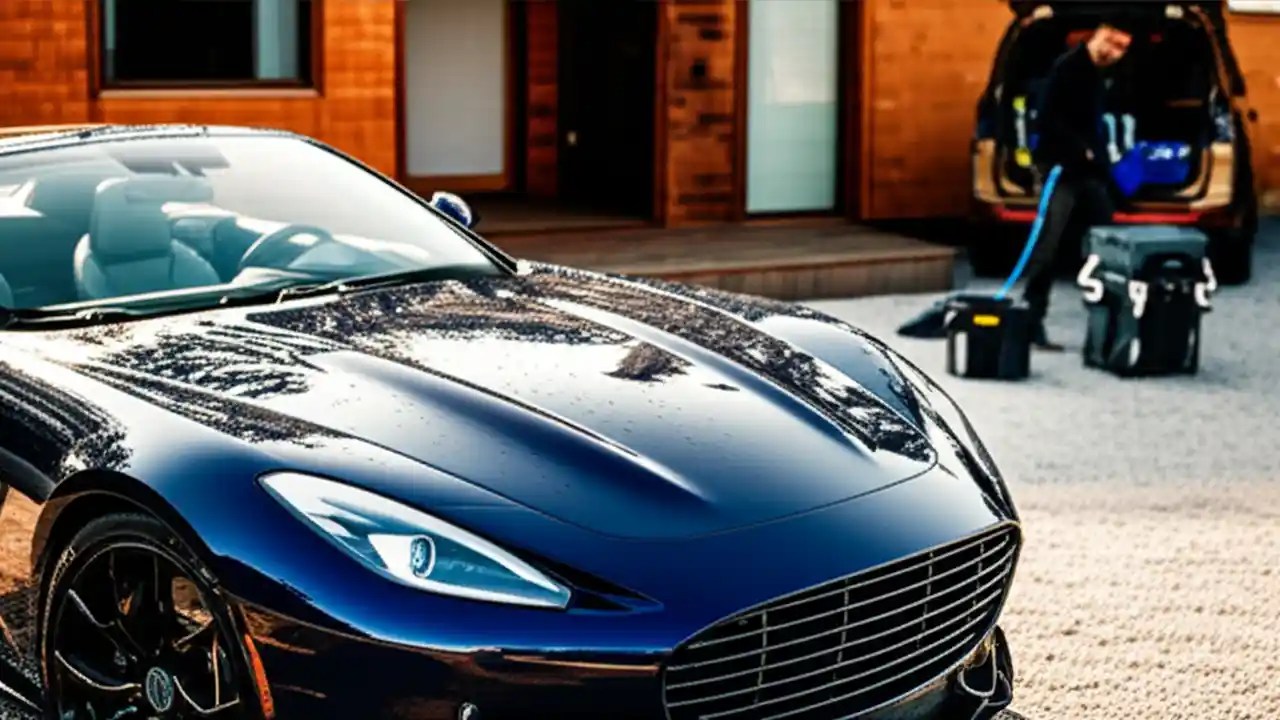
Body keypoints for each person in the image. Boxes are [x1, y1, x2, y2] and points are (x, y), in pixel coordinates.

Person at [1022, 19, 1134, 350]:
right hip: (1058, 166)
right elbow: (1047, 120)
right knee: (1048, 245)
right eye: (1111, 42)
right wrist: (1079, 149)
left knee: (1110, 237)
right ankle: (1030, 321)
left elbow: (1094, 127)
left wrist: (1107, 171)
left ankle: (1117, 319)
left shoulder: (1100, 76)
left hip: (1085, 171)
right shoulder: (1068, 68)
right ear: (1095, 36)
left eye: (1122, 47)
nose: (1115, 51)